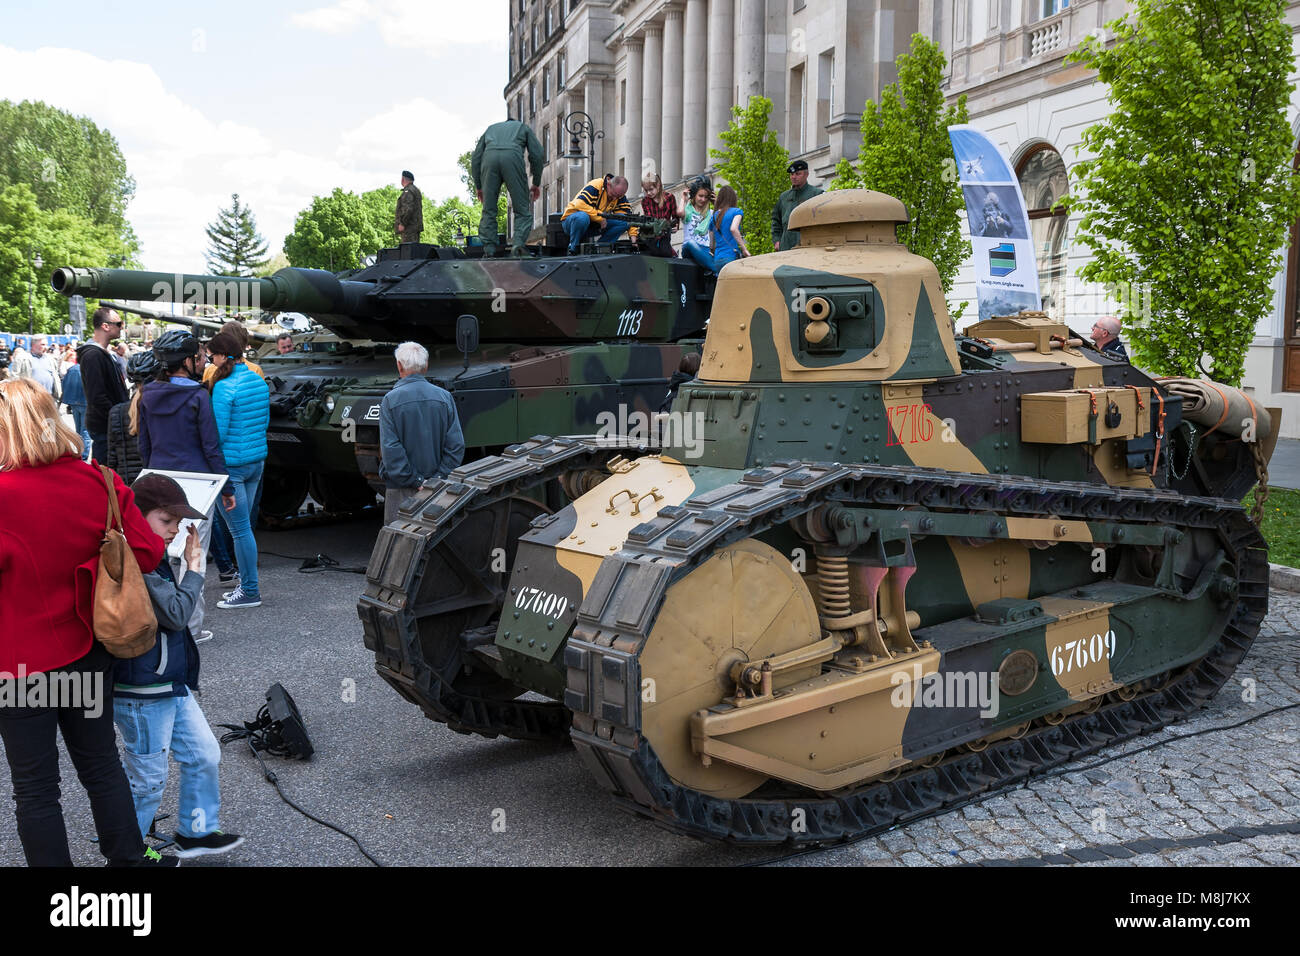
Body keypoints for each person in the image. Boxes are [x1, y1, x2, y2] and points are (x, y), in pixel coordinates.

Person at [0, 377, 175, 866]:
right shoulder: (99, 480)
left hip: (18, 666)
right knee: (101, 767)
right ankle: (129, 861)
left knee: (36, 789)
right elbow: (148, 553)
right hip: (87, 650)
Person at [115, 473, 245, 858]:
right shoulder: (136, 559)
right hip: (142, 688)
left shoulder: (150, 555)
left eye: (177, 522)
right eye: (166, 520)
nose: (174, 530)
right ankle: (127, 855)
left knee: (203, 753)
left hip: (167, 681)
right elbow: (175, 614)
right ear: (137, 516)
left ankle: (196, 831)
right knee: (147, 781)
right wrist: (195, 568)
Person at [138, 330, 236, 639]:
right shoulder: (197, 395)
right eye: (198, 357)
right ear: (186, 361)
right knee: (192, 554)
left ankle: (164, 621)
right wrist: (227, 488)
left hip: (158, 479)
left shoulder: (147, 393)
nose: (202, 361)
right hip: (196, 483)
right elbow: (211, 446)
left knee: (161, 552)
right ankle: (190, 629)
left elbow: (144, 444)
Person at [207, 330, 271, 609]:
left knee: (240, 531)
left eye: (212, 356)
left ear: (223, 356)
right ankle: (247, 586)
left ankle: (249, 591)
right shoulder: (257, 380)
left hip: (232, 467)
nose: (210, 361)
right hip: (256, 462)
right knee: (244, 529)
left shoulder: (223, 387)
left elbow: (218, 435)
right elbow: (264, 422)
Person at [378, 341, 465, 523]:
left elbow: (391, 449)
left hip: (401, 490)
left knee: (399, 537)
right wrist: (437, 478)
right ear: (426, 366)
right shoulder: (444, 397)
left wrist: (415, 480)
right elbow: (456, 446)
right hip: (438, 488)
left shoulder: (390, 400)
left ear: (399, 365)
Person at [471, 121, 545, 256]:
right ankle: (518, 246)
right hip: (512, 158)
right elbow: (538, 154)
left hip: (489, 159)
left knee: (488, 209)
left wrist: (479, 186)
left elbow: (476, 158)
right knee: (521, 209)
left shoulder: (490, 129)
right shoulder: (522, 127)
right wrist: (536, 182)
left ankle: (489, 249)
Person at [76, 307, 130, 462]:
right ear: (105, 326)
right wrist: (117, 417)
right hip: (105, 426)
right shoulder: (93, 355)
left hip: (108, 424)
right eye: (119, 324)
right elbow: (97, 397)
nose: (121, 327)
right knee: (104, 469)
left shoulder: (102, 353)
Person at [106, 350, 161, 485]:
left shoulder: (117, 412)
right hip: (159, 481)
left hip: (128, 484)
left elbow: (112, 457)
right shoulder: (163, 409)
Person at [682, 185, 750, 275]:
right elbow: (733, 229)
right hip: (730, 257)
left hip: (718, 260)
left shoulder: (714, 216)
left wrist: (712, 250)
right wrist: (744, 249)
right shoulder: (736, 211)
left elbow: (711, 242)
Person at [561, 175, 633, 254]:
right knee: (582, 217)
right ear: (608, 185)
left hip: (593, 224)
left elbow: (628, 217)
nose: (615, 199)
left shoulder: (618, 195)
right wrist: (600, 218)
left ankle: (599, 248)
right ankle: (573, 248)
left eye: (618, 196)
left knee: (624, 222)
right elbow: (579, 204)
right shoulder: (596, 185)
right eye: (613, 194)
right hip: (572, 222)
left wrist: (633, 236)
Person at [771, 160, 824, 251]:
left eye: (798, 174)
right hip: (786, 246)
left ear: (806, 174)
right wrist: (777, 240)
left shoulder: (817, 194)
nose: (794, 177)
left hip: (808, 245)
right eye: (792, 174)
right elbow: (776, 221)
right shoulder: (784, 197)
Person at [638, 174, 679, 257]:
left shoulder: (670, 197)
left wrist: (676, 225)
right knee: (651, 252)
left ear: (658, 185)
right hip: (651, 234)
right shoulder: (645, 201)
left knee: (665, 252)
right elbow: (649, 218)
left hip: (665, 232)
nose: (648, 193)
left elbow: (675, 216)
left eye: (651, 189)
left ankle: (672, 253)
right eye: (646, 190)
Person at [61, 356, 91, 461]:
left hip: (74, 402)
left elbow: (64, 384)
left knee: (79, 430)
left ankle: (79, 452)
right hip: (85, 402)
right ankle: (84, 455)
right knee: (85, 431)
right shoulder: (87, 370)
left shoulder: (71, 369)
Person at [681, 183, 714, 258]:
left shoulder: (711, 213)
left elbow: (724, 221)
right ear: (694, 195)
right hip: (689, 249)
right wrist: (683, 198)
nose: (703, 199)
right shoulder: (687, 211)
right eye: (700, 196)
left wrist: (716, 203)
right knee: (691, 243)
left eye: (706, 197)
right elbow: (679, 212)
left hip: (705, 249)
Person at [25, 335, 62, 400]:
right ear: (33, 345)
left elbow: (56, 376)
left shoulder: (50, 359)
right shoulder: (24, 359)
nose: (46, 347)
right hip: (32, 398)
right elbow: (15, 378)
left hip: (49, 397)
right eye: (43, 344)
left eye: (46, 345)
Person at [395, 170, 424, 244]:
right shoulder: (415, 190)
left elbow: (408, 209)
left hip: (409, 227)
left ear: (403, 179)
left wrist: (402, 223)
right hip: (415, 227)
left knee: (408, 249)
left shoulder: (408, 191)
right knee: (414, 248)